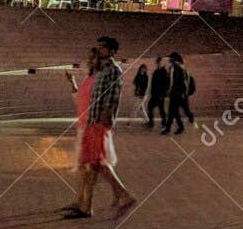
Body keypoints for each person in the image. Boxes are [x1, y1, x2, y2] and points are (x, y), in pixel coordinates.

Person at [64, 37, 135, 218]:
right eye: (99, 47)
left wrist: (106, 116)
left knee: (95, 164)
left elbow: (113, 96)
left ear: (111, 51)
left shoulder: (113, 70)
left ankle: (87, 205)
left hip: (98, 122)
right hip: (91, 121)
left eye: (103, 48)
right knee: (95, 163)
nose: (100, 50)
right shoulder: (102, 70)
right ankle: (118, 196)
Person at [162, 51, 190, 135]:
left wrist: (170, 91)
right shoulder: (179, 67)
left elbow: (175, 82)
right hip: (177, 93)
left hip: (175, 94)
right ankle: (179, 127)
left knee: (172, 111)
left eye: (170, 58)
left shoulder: (176, 68)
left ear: (173, 59)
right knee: (174, 112)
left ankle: (168, 129)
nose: (169, 59)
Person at [146, 56, 169, 128]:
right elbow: (153, 83)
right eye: (157, 63)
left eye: (158, 62)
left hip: (160, 95)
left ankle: (163, 123)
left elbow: (166, 84)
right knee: (151, 107)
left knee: (161, 109)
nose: (157, 64)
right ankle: (152, 123)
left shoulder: (163, 72)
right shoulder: (156, 71)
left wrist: (163, 94)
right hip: (155, 94)